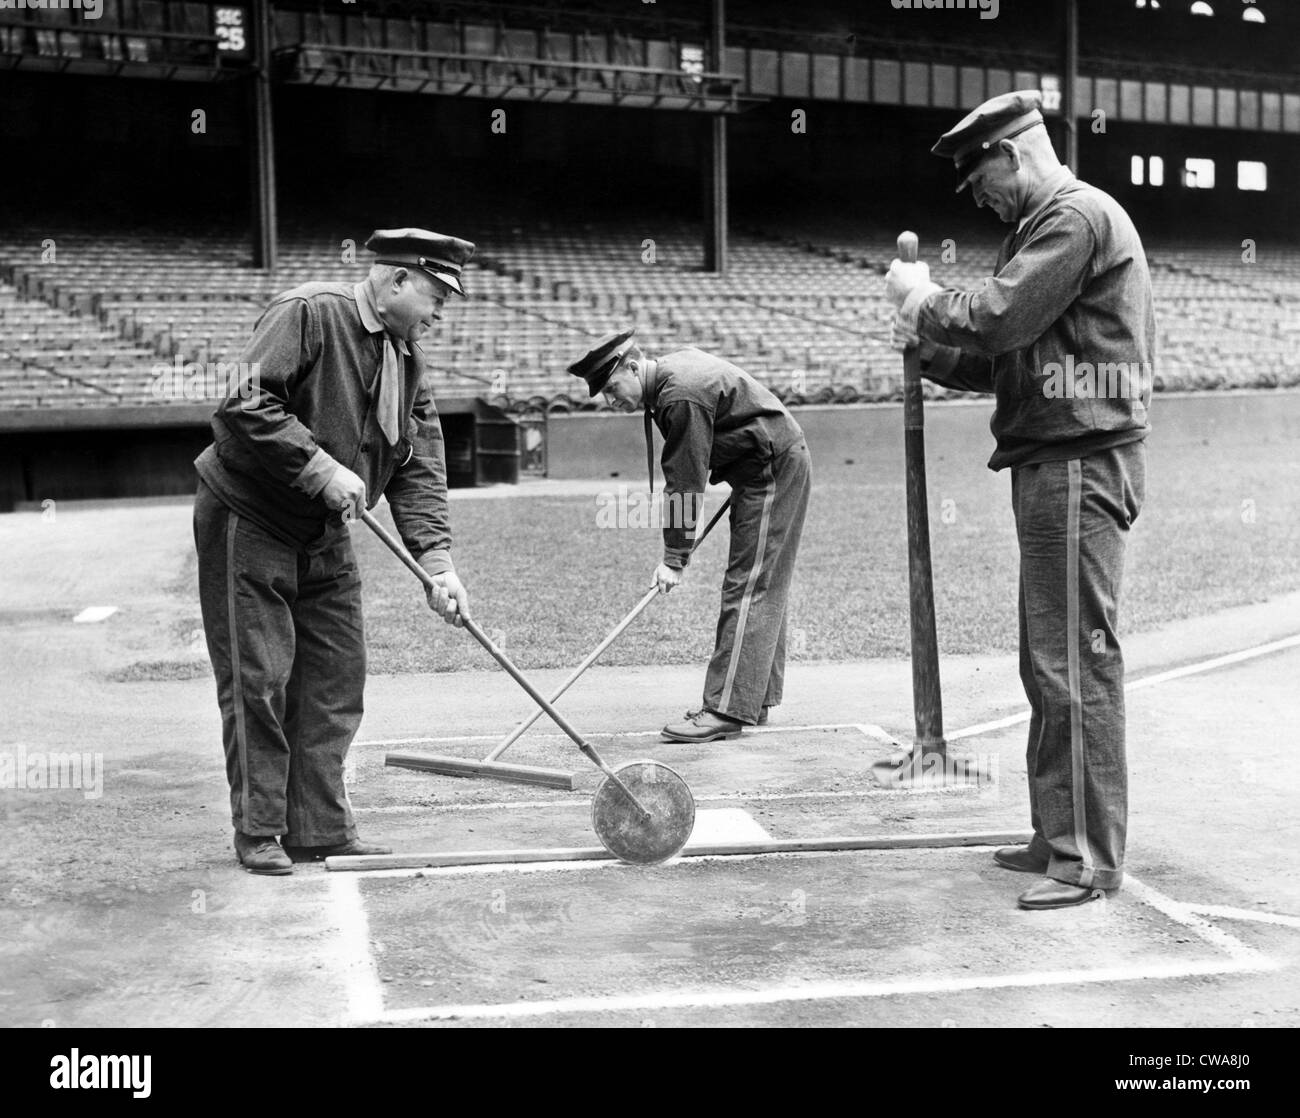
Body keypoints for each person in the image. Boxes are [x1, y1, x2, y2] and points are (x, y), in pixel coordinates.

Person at [885, 91, 1155, 910]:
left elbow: (999, 319)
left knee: (1074, 658)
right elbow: (1010, 358)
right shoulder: (1045, 227)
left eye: (981, 182)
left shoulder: (1074, 218)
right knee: (1050, 660)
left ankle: (1086, 858)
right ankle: (1057, 833)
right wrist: (927, 348)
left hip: (1079, 463)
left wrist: (923, 299)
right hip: (1053, 462)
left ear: (1012, 153)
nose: (980, 197)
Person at [193, 228, 475, 875]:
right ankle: (260, 827)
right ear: (396, 280)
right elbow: (242, 397)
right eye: (436, 297)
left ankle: (316, 826)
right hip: (250, 514)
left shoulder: (407, 357)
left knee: (335, 676)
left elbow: (419, 462)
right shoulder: (308, 312)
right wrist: (318, 464)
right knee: (259, 677)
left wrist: (439, 564)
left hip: (324, 532)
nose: (440, 314)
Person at [568, 329, 812, 743]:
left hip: (772, 469)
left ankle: (725, 710)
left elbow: (684, 480)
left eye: (612, 388)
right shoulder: (671, 374)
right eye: (604, 395)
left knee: (750, 585)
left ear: (633, 366)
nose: (612, 401)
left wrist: (674, 558)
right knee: (761, 584)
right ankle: (753, 700)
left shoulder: (679, 394)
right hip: (762, 465)